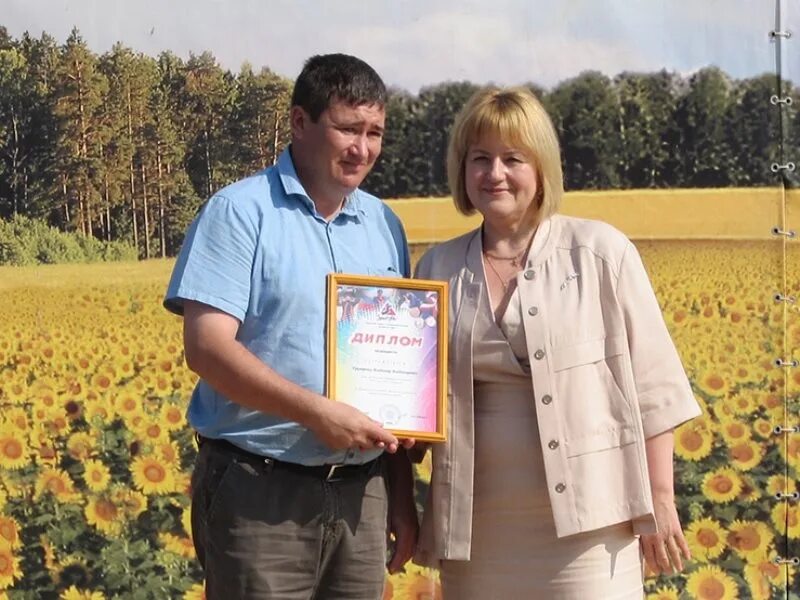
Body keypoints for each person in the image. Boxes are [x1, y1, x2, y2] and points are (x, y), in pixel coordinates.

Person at [412, 87, 702, 598]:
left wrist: (660, 498)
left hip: (592, 527)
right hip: (477, 536)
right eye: (480, 159)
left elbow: (654, 388)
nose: (494, 173)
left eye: (513, 158)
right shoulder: (437, 268)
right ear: (462, 170)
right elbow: (416, 397)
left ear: (542, 168)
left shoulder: (600, 253)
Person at [164, 53, 418, 600]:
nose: (363, 148)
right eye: (348, 128)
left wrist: (401, 496)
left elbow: (397, 375)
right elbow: (206, 348)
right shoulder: (239, 212)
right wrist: (315, 413)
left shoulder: (384, 225)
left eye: (375, 132)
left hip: (362, 497)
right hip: (261, 493)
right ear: (301, 122)